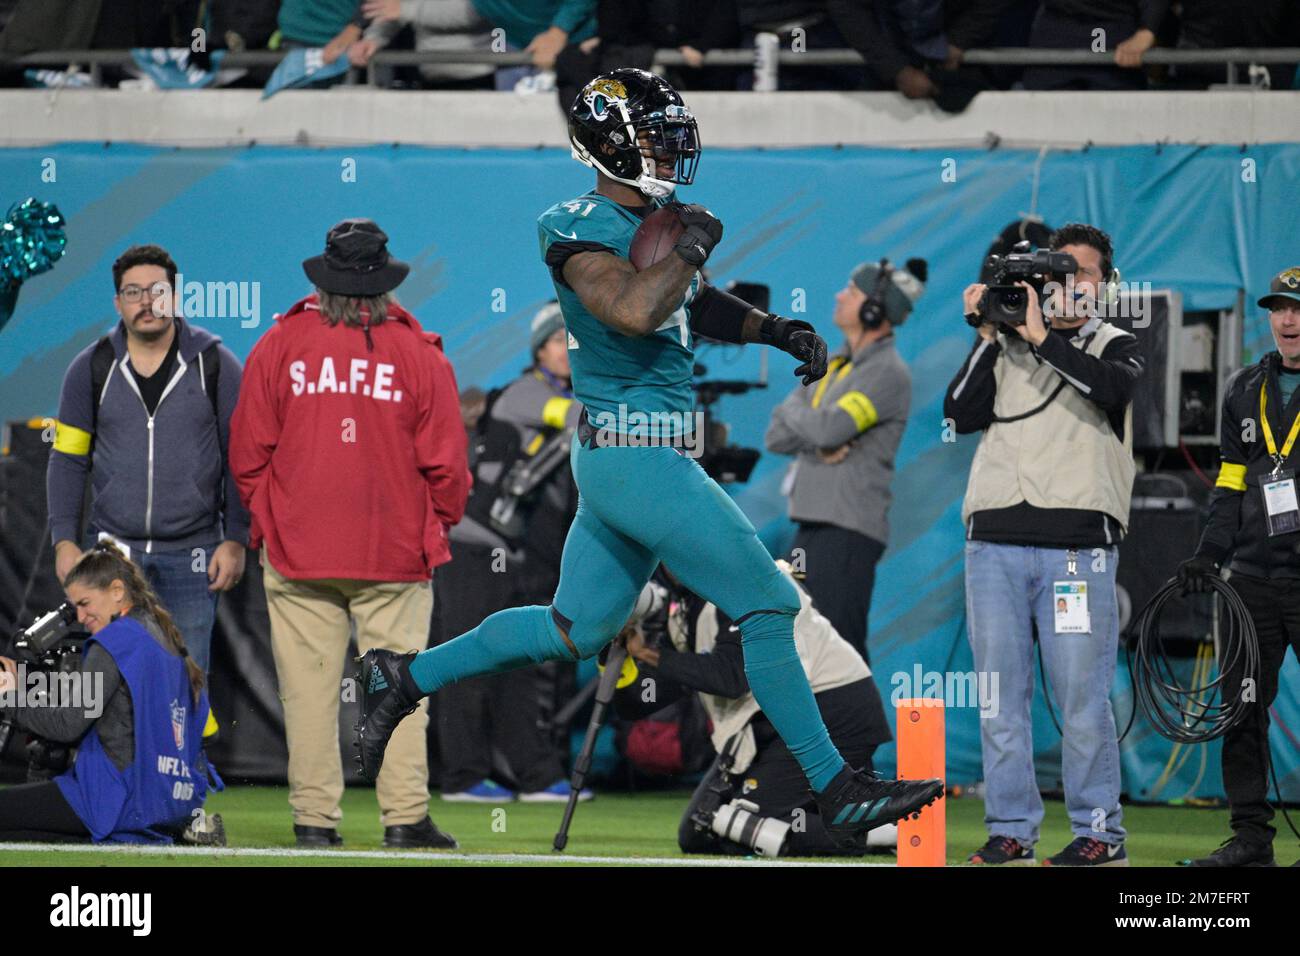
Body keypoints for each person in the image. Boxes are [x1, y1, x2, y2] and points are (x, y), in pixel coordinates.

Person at [356, 68, 945, 852]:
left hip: (627, 460)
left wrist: (771, 330)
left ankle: (402, 677)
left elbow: (686, 299)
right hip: (640, 460)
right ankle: (836, 789)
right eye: (656, 140)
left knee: (573, 628)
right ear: (608, 145)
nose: (670, 154)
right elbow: (634, 308)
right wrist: (694, 244)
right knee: (769, 605)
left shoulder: (656, 223)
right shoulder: (573, 225)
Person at [229, 219, 470, 849]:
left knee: (307, 697)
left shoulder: (280, 344)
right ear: (385, 283)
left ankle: (314, 823)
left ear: (325, 279)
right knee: (397, 693)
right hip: (393, 555)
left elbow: (247, 453)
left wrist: (274, 519)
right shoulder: (419, 352)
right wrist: (433, 523)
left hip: (299, 554)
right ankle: (404, 820)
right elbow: (447, 466)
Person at [943, 222, 1145, 866]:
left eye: (1084, 273)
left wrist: (1036, 336)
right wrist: (988, 333)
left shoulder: (1120, 343)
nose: (1072, 284)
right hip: (995, 543)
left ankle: (1097, 834)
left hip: (1075, 550)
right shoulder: (1003, 343)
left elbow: (1111, 390)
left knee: (1081, 698)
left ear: (1104, 283)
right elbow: (957, 413)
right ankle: (1011, 829)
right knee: (1001, 698)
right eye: (1062, 272)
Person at [47, 243, 248, 676]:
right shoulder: (90, 368)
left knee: (186, 681)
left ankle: (186, 749)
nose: (146, 303)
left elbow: (241, 457)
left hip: (194, 556)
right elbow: (67, 461)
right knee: (108, 679)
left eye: (156, 291)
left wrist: (235, 538)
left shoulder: (216, 365)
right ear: (118, 302)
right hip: (112, 553)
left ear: (175, 298)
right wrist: (64, 539)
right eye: (133, 293)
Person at [615, 562, 894, 857]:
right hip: (775, 724)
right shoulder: (684, 608)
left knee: (747, 824)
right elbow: (642, 701)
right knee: (699, 832)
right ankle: (856, 819)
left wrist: (648, 653)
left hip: (833, 711)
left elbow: (732, 677)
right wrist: (617, 663)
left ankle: (880, 828)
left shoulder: (744, 578)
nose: (674, 561)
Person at [434, 302, 588, 803]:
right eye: (559, 338)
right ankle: (461, 778)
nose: (569, 348)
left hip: (517, 556)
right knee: (468, 664)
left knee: (521, 666)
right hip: (472, 553)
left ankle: (536, 777)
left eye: (575, 339)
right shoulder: (527, 394)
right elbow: (580, 418)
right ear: (540, 349)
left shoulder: (562, 395)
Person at [1178, 267, 1300, 868]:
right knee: (1242, 706)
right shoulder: (1243, 386)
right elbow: (1230, 483)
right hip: (1251, 579)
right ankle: (1251, 841)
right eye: (1280, 308)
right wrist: (1209, 552)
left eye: (1298, 308)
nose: (1289, 320)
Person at [0, 543, 221, 844]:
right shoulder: (168, 640)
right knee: (27, 833)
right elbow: (207, 732)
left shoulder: (113, 643)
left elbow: (68, 726)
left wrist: (11, 698)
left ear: (117, 591)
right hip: (169, 802)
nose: (79, 616)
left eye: (84, 602)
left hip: (114, 799)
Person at [765, 258, 923, 663]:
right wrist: (817, 435)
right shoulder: (833, 365)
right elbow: (777, 435)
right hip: (811, 526)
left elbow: (826, 430)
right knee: (807, 652)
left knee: (841, 653)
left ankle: (858, 729)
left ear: (874, 308)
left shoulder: (888, 373)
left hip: (847, 532)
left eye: (851, 291)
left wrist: (813, 429)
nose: (839, 295)